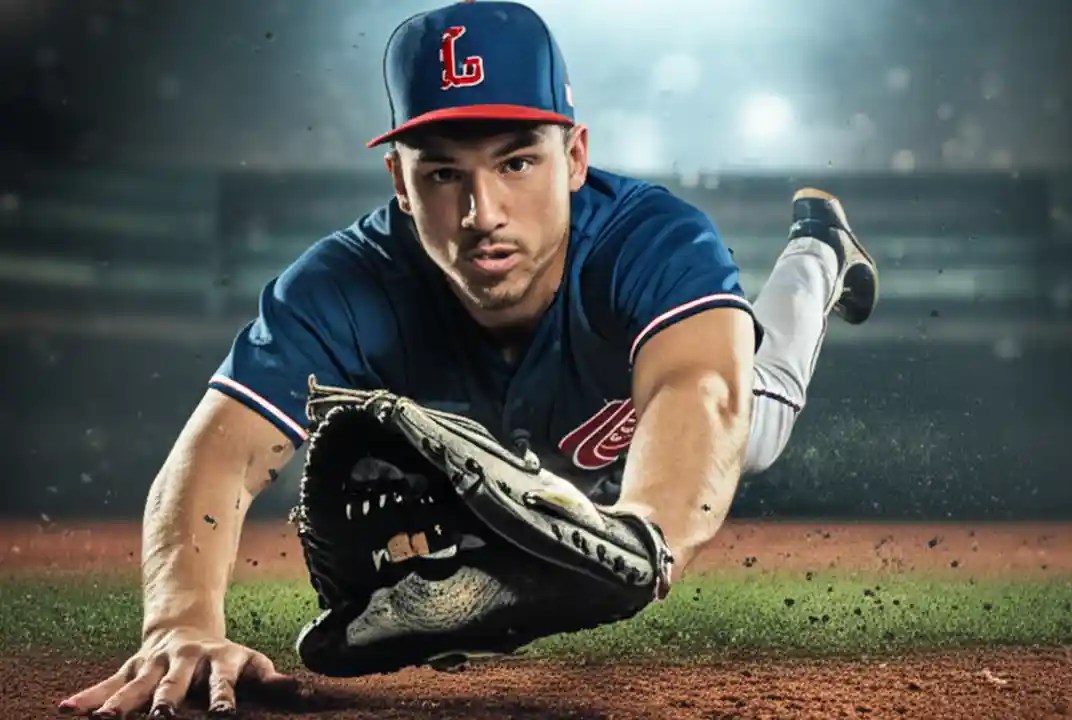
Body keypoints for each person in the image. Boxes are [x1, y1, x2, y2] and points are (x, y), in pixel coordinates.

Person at [57, 1, 878, 717]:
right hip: (540, 455)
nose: (483, 212)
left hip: (654, 427)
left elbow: (700, 388)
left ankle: (816, 255)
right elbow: (216, 452)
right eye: (445, 172)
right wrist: (181, 624)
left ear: (576, 158)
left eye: (517, 160)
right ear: (400, 183)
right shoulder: (344, 282)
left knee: (757, 429)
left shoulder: (653, 239)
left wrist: (644, 538)